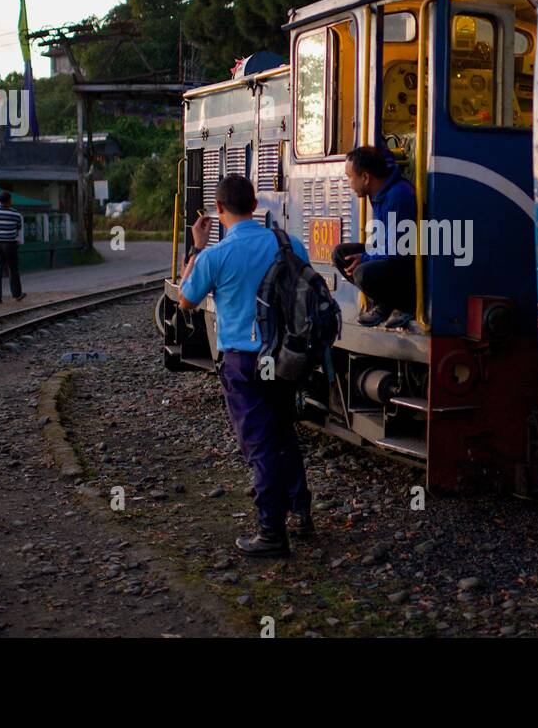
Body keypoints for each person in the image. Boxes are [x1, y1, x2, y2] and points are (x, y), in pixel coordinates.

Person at [177, 174, 313, 557]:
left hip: (243, 362)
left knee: (260, 445)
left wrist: (196, 247)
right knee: (283, 434)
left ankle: (272, 532)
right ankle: (301, 512)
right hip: (284, 359)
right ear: (255, 206)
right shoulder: (289, 244)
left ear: (218, 210)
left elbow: (185, 301)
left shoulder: (215, 256)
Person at [332, 145, 418, 330]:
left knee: (363, 273)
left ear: (365, 177)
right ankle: (384, 303)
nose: (349, 183)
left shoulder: (398, 196)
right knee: (340, 254)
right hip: (390, 254)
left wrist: (365, 258)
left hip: (403, 263)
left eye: (350, 177)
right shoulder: (379, 193)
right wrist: (365, 255)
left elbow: (397, 250)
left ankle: (404, 305)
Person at [0, 191, 25, 303]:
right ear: (9, 201)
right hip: (10, 244)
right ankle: (16, 294)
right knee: (13, 269)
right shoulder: (16, 214)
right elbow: (18, 228)